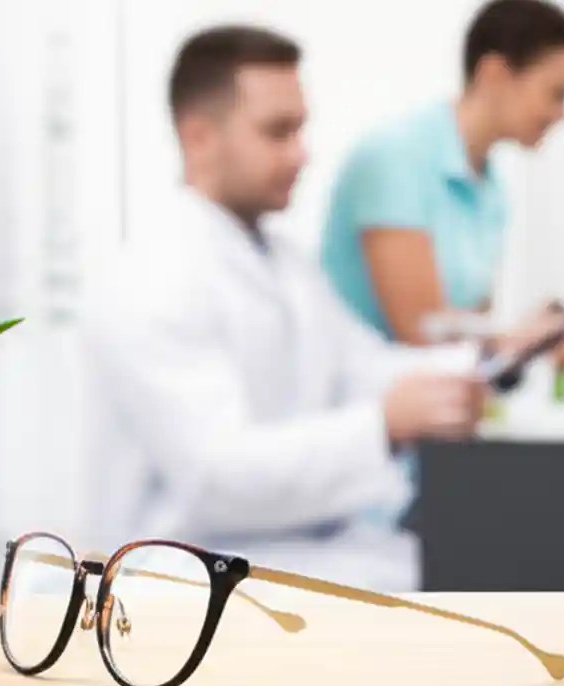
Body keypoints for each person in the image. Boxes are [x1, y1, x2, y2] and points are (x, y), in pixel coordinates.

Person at [82, 26, 497, 591]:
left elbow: (364, 366)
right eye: (278, 132)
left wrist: (490, 361)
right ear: (199, 137)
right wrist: (384, 426)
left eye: (301, 129)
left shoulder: (283, 261)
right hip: (182, 586)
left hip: (288, 556)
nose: (302, 153)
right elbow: (218, 476)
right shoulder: (152, 275)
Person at [320, 0, 564, 361]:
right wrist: (519, 340)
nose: (563, 114)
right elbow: (421, 335)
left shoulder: (490, 190)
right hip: (361, 405)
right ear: (494, 74)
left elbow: (469, 342)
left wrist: (535, 340)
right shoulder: (394, 159)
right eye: (556, 94)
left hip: (431, 402)